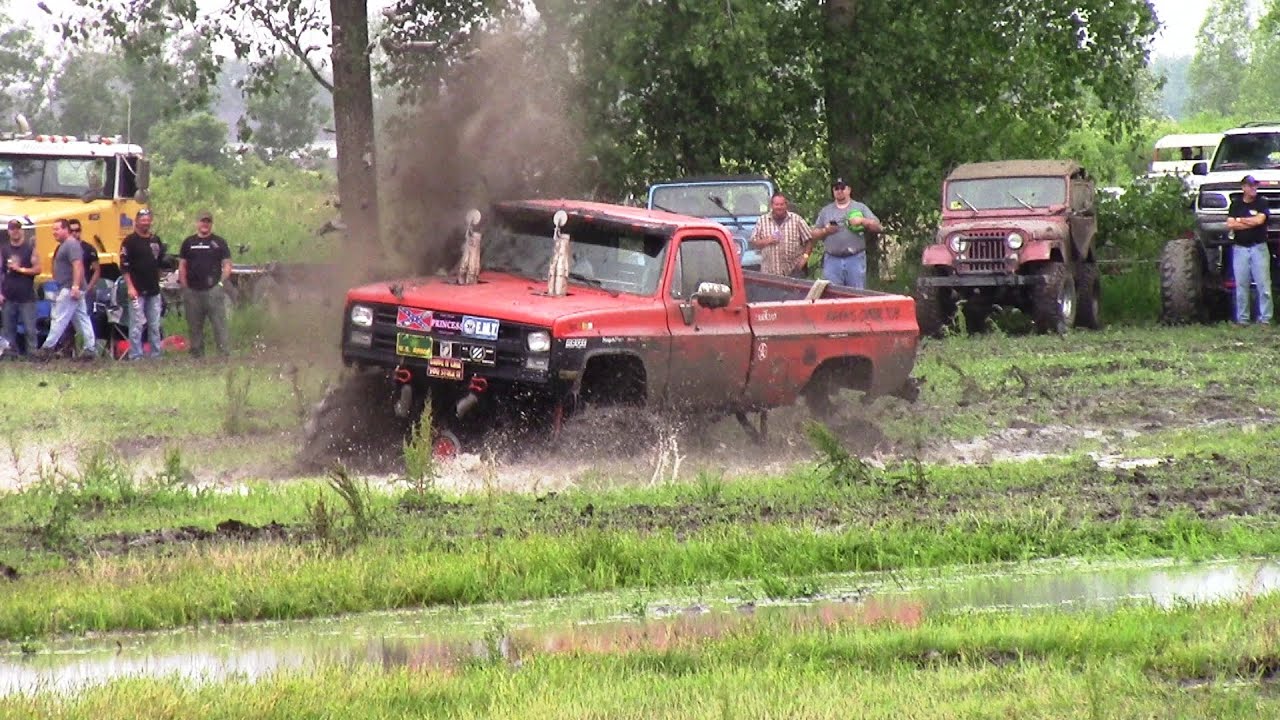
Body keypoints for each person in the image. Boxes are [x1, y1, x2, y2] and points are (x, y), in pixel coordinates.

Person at [35, 219, 96, 360]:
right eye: (53, 230)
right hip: (71, 287)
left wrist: (75, 286)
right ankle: (90, 349)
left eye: (56, 229)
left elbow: (78, 265)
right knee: (82, 318)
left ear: (65, 229)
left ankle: (47, 348)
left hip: (70, 288)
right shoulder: (65, 245)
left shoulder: (71, 244)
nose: (54, 233)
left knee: (59, 318)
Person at [178, 210, 232, 357]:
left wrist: (220, 284)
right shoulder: (188, 243)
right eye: (202, 221)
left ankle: (223, 354)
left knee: (219, 324)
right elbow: (182, 265)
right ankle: (197, 356)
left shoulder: (219, 242)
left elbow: (227, 264)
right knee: (194, 326)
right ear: (197, 223)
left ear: (211, 224)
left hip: (213, 291)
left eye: (208, 222)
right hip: (193, 291)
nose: (205, 224)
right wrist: (185, 286)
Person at [812, 177, 883, 289]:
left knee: (856, 295)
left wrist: (862, 221)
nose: (839, 191)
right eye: (836, 188)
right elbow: (814, 234)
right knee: (833, 297)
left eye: (842, 187)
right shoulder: (826, 211)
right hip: (832, 260)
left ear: (849, 190)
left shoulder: (860, 207)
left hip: (855, 259)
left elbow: (878, 227)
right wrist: (825, 230)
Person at [120, 208, 167, 359]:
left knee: (154, 325)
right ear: (137, 221)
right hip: (137, 290)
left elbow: (159, 263)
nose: (145, 222)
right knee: (137, 325)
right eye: (142, 219)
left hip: (153, 289)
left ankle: (156, 355)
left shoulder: (155, 240)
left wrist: (160, 281)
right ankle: (136, 355)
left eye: (147, 219)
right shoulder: (129, 241)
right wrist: (130, 287)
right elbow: (124, 266)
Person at [1227, 175, 1272, 325]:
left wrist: (1240, 220)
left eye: (1255, 186)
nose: (1254, 188)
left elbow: (1260, 220)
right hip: (1240, 248)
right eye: (1251, 186)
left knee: (1263, 284)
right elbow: (1231, 224)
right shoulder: (1236, 204)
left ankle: (1265, 318)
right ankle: (1243, 319)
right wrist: (1247, 222)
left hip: (1258, 247)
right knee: (1241, 285)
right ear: (1244, 187)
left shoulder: (1262, 202)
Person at [748, 192, 814, 277]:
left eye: (782, 204)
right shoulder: (762, 221)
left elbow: (809, 240)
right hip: (769, 273)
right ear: (772, 205)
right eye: (776, 204)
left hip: (794, 271)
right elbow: (754, 242)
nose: (779, 207)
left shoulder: (797, 220)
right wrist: (768, 240)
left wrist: (804, 258)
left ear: (786, 205)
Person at [0, 218, 40, 357]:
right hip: (8, 296)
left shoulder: (30, 249)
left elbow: (38, 269)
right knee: (8, 329)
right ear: (9, 231)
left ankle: (33, 355)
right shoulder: (4, 249)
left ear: (21, 230)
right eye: (12, 228)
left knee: (30, 329)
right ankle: (10, 355)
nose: (15, 231)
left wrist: (20, 269)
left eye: (17, 228)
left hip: (27, 296)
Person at [69, 219, 101, 297]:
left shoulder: (88, 248)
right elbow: (56, 267)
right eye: (71, 230)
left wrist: (89, 288)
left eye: (77, 230)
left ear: (81, 231)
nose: (74, 233)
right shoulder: (62, 248)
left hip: (84, 289)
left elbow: (97, 270)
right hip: (67, 289)